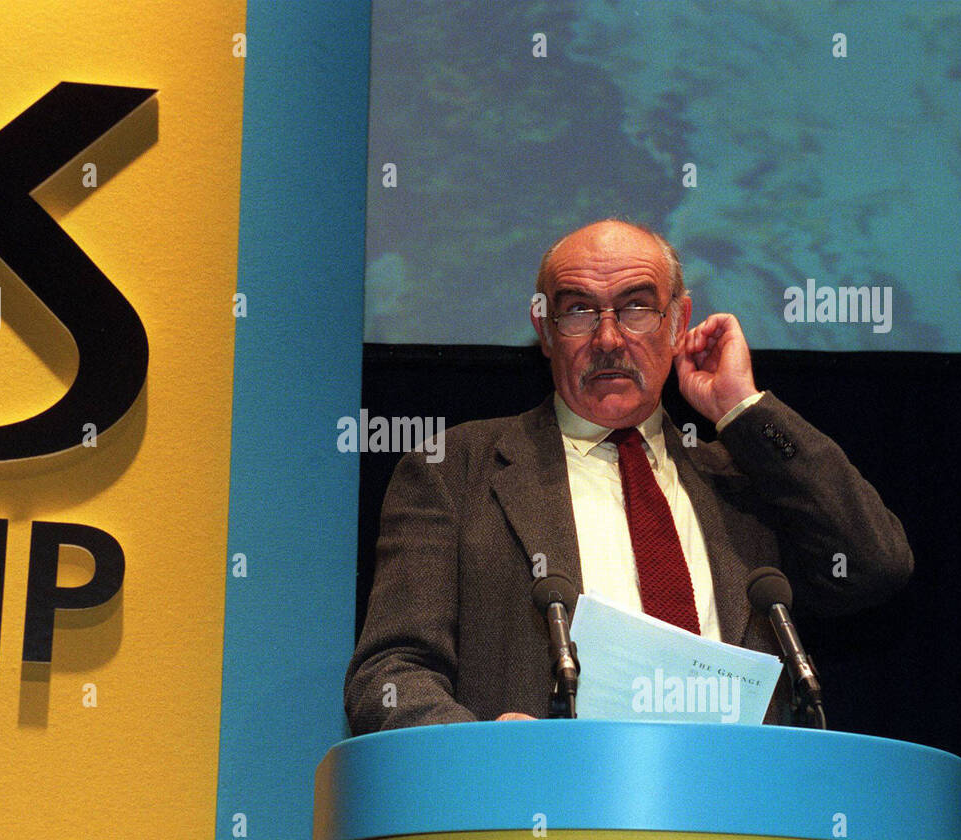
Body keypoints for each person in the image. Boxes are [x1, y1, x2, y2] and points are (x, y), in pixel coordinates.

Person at [345, 219, 913, 732]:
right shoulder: (456, 471)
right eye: (578, 311)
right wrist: (488, 751)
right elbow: (389, 674)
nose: (610, 338)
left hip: (738, 816)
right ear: (544, 330)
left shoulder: (742, 477)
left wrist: (743, 410)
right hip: (548, 823)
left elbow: (874, 564)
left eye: (637, 308)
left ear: (679, 322)